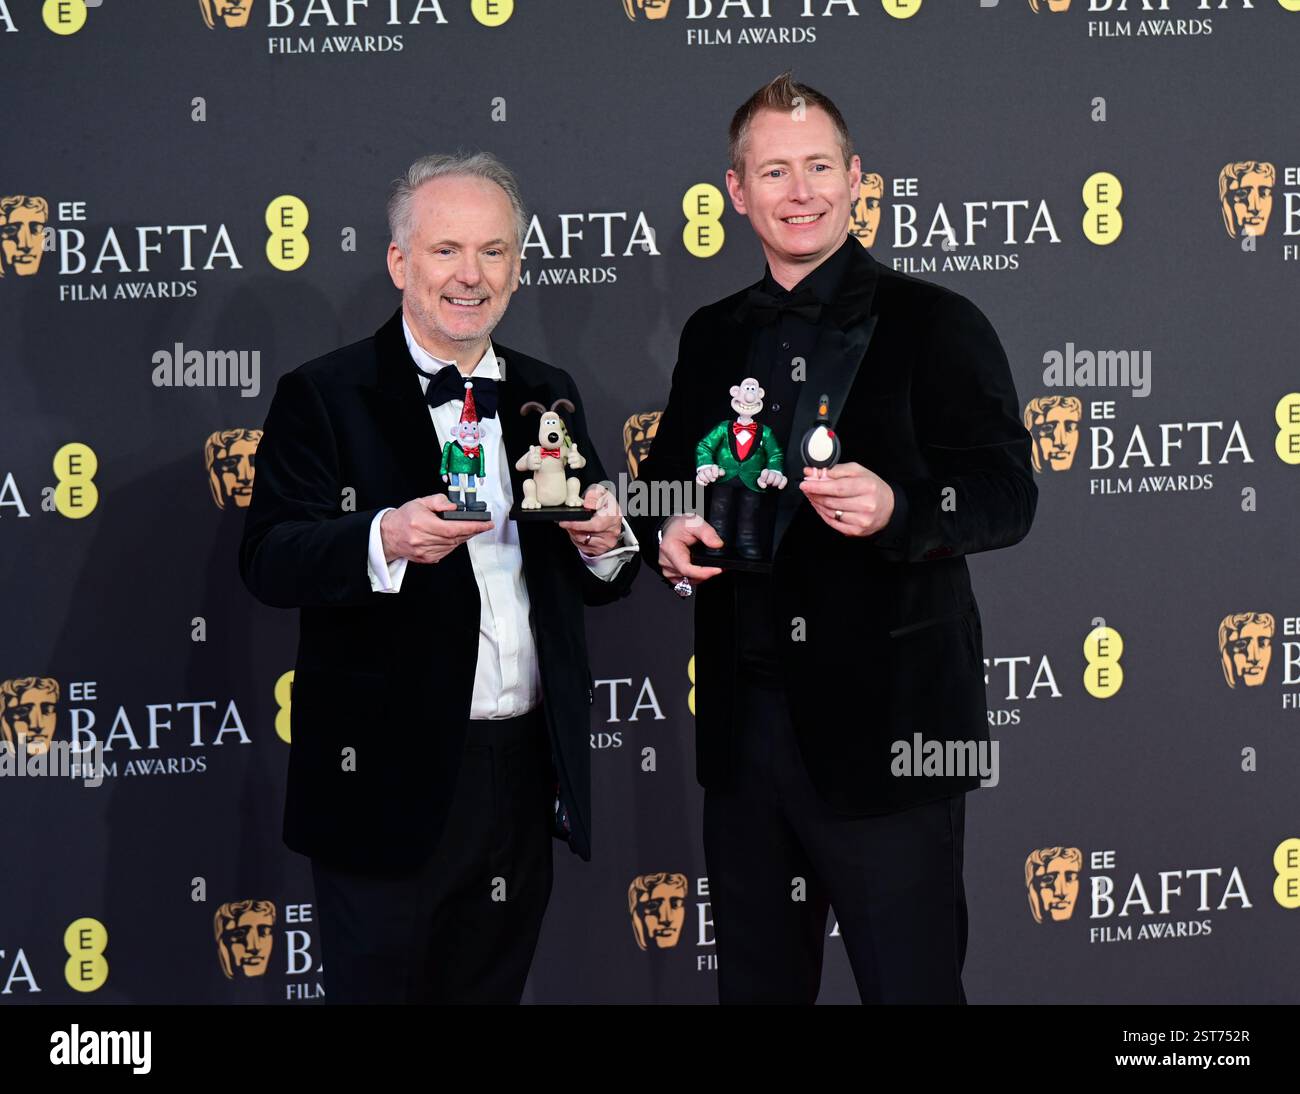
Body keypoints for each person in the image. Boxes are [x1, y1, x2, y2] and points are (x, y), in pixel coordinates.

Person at [633, 73, 1037, 1004]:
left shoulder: (938, 322)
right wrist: (668, 531)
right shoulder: (712, 333)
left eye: (819, 166)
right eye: (775, 171)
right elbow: (663, 486)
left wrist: (901, 508)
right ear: (738, 192)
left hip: (891, 737)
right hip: (744, 737)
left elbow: (1009, 493)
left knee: (912, 990)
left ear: (858, 178)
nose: (800, 191)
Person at [239, 151, 640, 1004]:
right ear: (399, 263)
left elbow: (601, 576)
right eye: (446, 250)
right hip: (384, 779)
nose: (471, 276)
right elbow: (269, 557)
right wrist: (383, 536)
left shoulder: (547, 390)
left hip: (524, 773)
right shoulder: (324, 393)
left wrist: (607, 540)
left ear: (518, 267)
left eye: (493, 252)